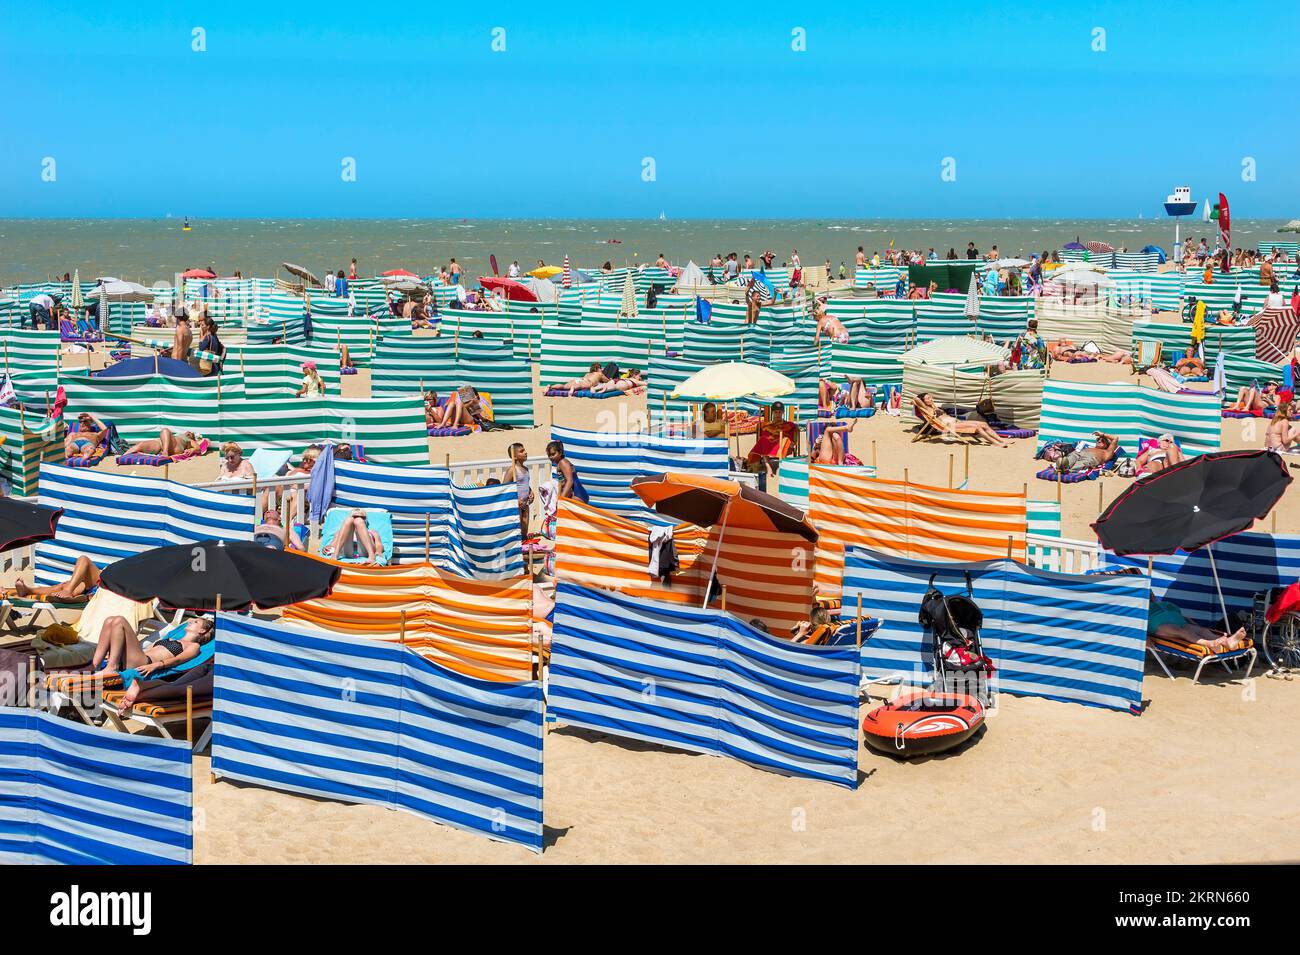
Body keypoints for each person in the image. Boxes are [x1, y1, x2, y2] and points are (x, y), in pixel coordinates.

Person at [92, 614, 215, 677]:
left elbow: (178, 660)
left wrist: (156, 665)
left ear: (202, 630)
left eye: (195, 622)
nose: (191, 621)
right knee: (110, 620)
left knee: (119, 620)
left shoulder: (193, 646)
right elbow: (146, 649)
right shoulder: (170, 637)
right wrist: (116, 651)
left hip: (144, 662)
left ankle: (111, 668)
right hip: (137, 656)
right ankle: (95, 664)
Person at [1148, 598, 1247, 653]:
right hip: (1158, 624)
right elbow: (1136, 624)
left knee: (1202, 630)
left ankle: (1228, 642)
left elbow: (1183, 616)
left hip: (1179, 620)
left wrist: (1196, 625)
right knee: (1183, 632)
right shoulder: (1141, 607)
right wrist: (1145, 638)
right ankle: (1210, 644)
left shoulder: (1164, 603)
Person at [915, 393, 1012, 447]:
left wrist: (931, 400)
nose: (931, 399)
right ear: (923, 401)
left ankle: (1001, 440)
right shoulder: (927, 409)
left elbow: (929, 401)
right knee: (977, 427)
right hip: (949, 425)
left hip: (957, 422)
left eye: (930, 397)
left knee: (984, 424)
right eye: (928, 398)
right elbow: (916, 399)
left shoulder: (934, 407)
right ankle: (995, 443)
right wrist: (917, 400)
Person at [12, 554, 100, 601]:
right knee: (62, 586)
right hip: (95, 588)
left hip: (102, 587)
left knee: (83, 559)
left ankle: (68, 591)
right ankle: (28, 591)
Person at [1056, 431, 1120, 473]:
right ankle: (1061, 467)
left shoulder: (1107, 452)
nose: (1099, 440)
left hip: (1091, 458)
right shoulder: (1092, 447)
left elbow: (1115, 438)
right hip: (1078, 453)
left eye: (1102, 440)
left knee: (1077, 466)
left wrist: (1102, 434)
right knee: (1067, 460)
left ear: (1107, 444)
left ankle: (1067, 471)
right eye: (1098, 439)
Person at [505, 442, 532, 538]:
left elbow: (525, 484)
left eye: (524, 450)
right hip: (516, 504)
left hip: (525, 503)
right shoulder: (512, 470)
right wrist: (515, 500)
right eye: (521, 451)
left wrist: (530, 491)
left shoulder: (526, 469)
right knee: (517, 531)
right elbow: (505, 488)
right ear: (515, 456)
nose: (525, 452)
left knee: (524, 531)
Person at [126, 428, 200, 457]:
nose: (188, 432)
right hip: (161, 443)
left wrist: (192, 449)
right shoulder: (177, 435)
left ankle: (165, 452)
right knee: (141, 445)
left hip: (175, 446)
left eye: (190, 433)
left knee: (165, 430)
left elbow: (198, 449)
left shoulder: (188, 440)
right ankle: (122, 457)